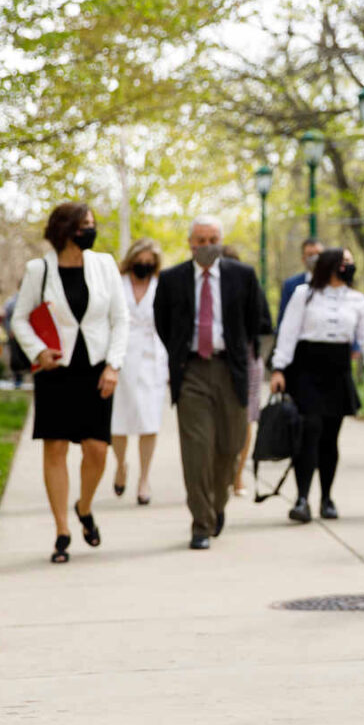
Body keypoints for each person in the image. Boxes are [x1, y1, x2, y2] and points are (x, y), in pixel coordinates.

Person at [11, 203, 128, 564]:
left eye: (92, 225)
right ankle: (62, 530)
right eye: (83, 226)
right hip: (55, 371)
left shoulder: (105, 265)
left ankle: (84, 506)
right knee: (56, 449)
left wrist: (114, 366)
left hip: (96, 369)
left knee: (97, 449)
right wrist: (38, 351)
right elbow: (20, 319)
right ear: (64, 230)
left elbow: (120, 319)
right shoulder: (39, 270)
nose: (89, 231)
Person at [153, 217, 266, 550]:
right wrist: (178, 355)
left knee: (229, 447)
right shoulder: (172, 279)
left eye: (212, 238)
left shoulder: (241, 276)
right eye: (200, 240)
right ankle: (200, 523)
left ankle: (217, 506)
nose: (206, 245)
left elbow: (255, 318)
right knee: (197, 449)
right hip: (192, 371)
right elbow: (162, 321)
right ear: (190, 243)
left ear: (221, 240)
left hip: (230, 369)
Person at [270, 247, 364, 522]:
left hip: (337, 371)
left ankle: (327, 498)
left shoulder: (358, 300)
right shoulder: (304, 295)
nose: (348, 266)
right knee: (309, 431)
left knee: (329, 438)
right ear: (330, 264)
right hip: (306, 370)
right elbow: (288, 332)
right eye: (344, 261)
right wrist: (279, 367)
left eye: (351, 262)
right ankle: (302, 498)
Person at [110, 239, 168, 505]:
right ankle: (121, 465)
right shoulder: (116, 284)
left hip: (151, 360)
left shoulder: (161, 286)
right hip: (120, 358)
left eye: (149, 262)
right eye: (140, 260)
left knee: (149, 422)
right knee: (118, 421)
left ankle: (144, 479)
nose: (144, 265)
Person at [222, 245, 265, 496]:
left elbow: (263, 322)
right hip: (216, 361)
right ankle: (226, 472)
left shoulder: (250, 287)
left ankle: (237, 477)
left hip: (247, 359)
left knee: (245, 418)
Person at [277, 237, 323, 332]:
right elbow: (284, 318)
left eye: (319, 254)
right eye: (310, 255)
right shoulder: (291, 285)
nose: (315, 258)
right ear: (303, 259)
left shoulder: (335, 284)